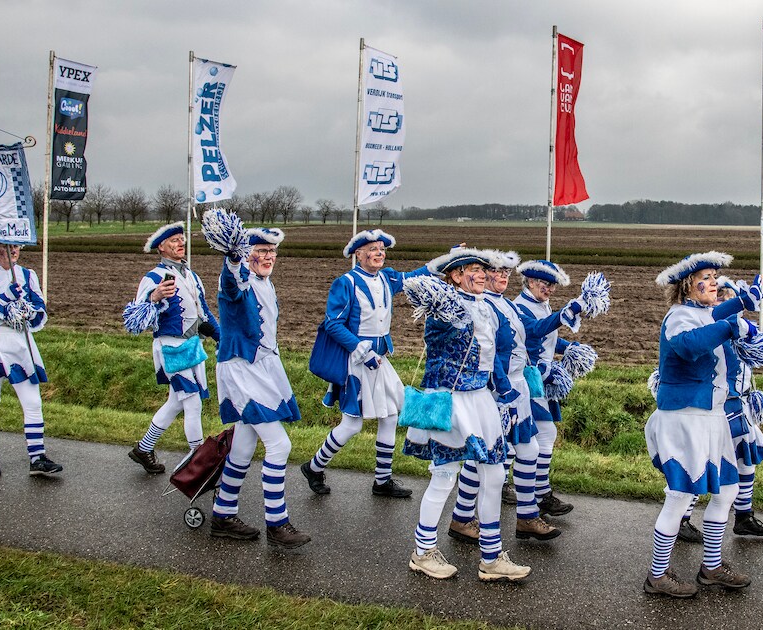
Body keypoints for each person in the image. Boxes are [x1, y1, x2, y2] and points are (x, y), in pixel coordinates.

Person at [402, 247, 530, 582]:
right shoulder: (443, 306)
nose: (485, 275)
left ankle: (491, 557)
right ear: (457, 275)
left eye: (486, 270)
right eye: (476, 269)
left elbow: (493, 356)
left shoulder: (485, 306)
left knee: (495, 473)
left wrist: (505, 390)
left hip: (481, 398)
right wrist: (444, 286)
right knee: (444, 476)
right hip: (451, 398)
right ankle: (423, 551)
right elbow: (420, 292)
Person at [644, 252, 763, 598]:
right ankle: (657, 575)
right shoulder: (679, 316)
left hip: (711, 418)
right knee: (681, 497)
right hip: (684, 418)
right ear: (687, 286)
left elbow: (715, 314)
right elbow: (687, 346)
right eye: (707, 278)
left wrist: (743, 302)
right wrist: (731, 324)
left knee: (727, 491)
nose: (714, 283)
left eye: (715, 277)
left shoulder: (699, 312)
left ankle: (711, 567)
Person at [205, 217, 310, 549]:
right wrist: (234, 255)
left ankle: (223, 516)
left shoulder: (266, 282)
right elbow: (233, 279)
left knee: (244, 444)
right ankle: (277, 524)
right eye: (261, 250)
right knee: (280, 445)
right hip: (242, 371)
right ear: (247, 252)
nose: (268, 256)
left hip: (262, 368)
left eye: (273, 251)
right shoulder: (239, 279)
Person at [302, 229, 430, 498]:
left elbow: (414, 278)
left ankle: (382, 481)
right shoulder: (345, 283)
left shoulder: (386, 278)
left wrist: (447, 260)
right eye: (372, 249)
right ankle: (313, 467)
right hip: (357, 363)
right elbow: (332, 324)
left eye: (382, 249)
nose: (378, 253)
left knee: (391, 415)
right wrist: (362, 350)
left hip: (380, 360)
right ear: (358, 254)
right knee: (352, 424)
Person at [448, 250, 561, 544]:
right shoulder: (484, 305)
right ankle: (461, 519)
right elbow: (492, 353)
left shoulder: (506, 305)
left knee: (529, 449)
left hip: (517, 388)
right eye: (496, 271)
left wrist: (568, 313)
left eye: (507, 273)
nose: (501, 277)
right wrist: (503, 388)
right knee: (485, 457)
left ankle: (527, 517)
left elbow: (532, 332)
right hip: (498, 391)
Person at [126, 222, 220, 474]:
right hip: (170, 347)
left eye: (182, 239)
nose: (181, 244)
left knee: (176, 403)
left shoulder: (191, 275)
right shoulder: (152, 278)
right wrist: (154, 297)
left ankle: (144, 449)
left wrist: (221, 336)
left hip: (192, 345)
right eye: (175, 241)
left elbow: (203, 313)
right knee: (192, 402)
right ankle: (199, 461)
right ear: (161, 247)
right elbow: (135, 318)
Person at [0, 242, 62, 477]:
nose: (12, 250)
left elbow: (40, 305)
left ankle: (37, 458)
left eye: (16, 245)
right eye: (4, 246)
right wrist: (6, 296)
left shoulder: (28, 275)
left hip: (18, 343)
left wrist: (29, 311)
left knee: (33, 403)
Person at [512, 260, 582, 517]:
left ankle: (535, 493)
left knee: (529, 437)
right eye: (545, 284)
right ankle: (538, 495)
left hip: (540, 380)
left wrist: (569, 348)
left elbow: (547, 338)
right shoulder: (521, 307)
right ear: (530, 282)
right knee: (540, 434)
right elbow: (535, 331)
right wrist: (564, 314)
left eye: (552, 285)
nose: (550, 289)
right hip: (526, 381)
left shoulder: (541, 305)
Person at [716, 277, 763, 537]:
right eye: (722, 298)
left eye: (730, 298)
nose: (726, 302)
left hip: (742, 405)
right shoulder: (716, 329)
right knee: (707, 464)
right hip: (721, 407)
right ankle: (682, 519)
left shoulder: (736, 329)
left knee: (746, 461)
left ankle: (744, 515)